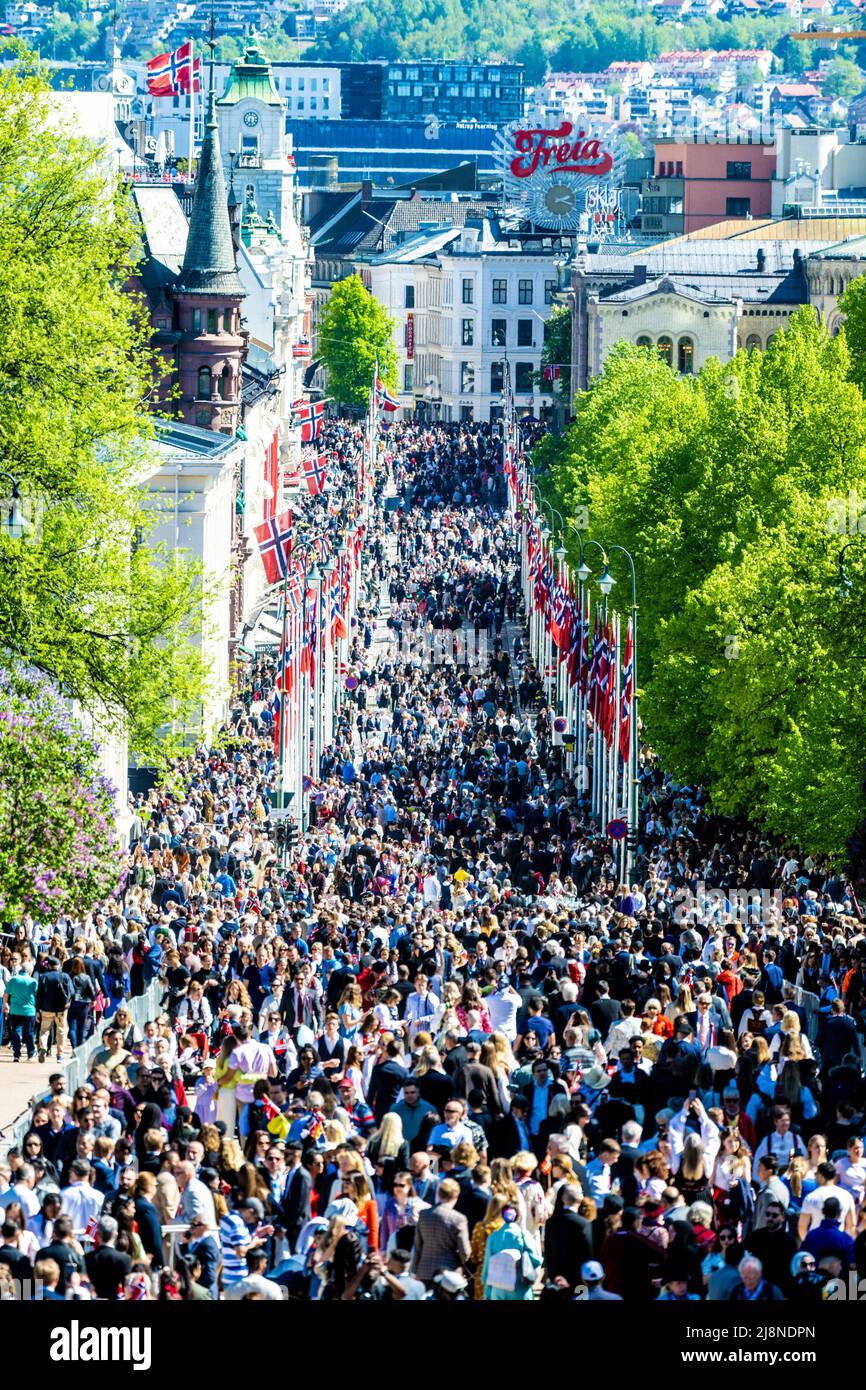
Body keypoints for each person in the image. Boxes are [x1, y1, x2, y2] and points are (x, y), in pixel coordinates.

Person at [410, 1178, 471, 1284]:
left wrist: (414, 1270)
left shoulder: (424, 1215)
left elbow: (418, 1246)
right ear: (456, 1195)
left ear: (439, 1193)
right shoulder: (459, 1219)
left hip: (424, 1271)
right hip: (449, 1274)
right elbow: (464, 1252)